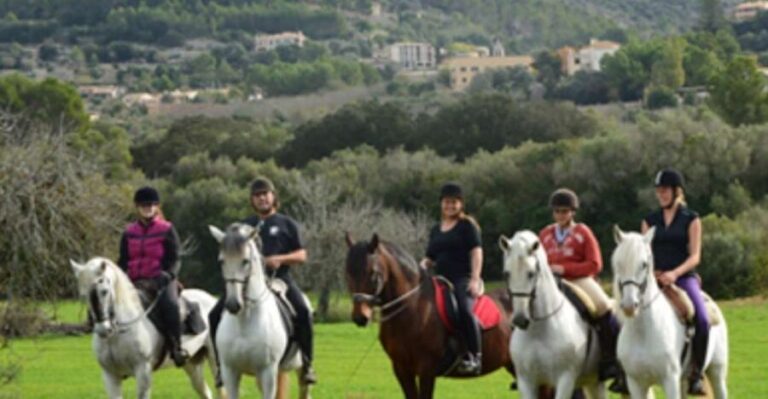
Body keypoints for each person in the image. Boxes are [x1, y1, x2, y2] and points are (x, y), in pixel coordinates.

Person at [209, 177, 316, 386]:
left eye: (265, 194)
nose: (262, 199)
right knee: (214, 315)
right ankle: (222, 367)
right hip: (246, 283)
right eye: (257, 196)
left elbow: (302, 255)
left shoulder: (287, 224)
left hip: (280, 280)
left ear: (273, 196)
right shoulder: (243, 226)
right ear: (252, 200)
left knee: (303, 311)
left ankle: (307, 363)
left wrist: (280, 259)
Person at [539, 188, 626, 393]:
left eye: (565, 211)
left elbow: (595, 264)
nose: (560, 215)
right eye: (557, 211)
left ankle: (611, 361)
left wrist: (565, 269)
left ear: (572, 212)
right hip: (551, 284)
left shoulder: (582, 232)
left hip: (579, 280)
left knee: (604, 307)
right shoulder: (544, 234)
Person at [641, 169, 708, 396]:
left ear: (676, 191)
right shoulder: (649, 220)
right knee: (625, 313)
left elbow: (695, 256)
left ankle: (696, 374)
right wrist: (654, 274)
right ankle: (623, 371)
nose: (661, 195)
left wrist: (674, 274)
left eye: (665, 190)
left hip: (683, 277)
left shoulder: (691, 218)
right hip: (653, 278)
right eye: (659, 191)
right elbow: (645, 253)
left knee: (701, 317)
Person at [117, 186, 187, 367]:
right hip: (134, 282)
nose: (147, 208)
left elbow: (176, 258)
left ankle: (177, 347)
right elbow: (123, 260)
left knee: (170, 305)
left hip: (160, 281)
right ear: (137, 207)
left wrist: (168, 275)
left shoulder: (167, 229)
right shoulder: (129, 232)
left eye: (151, 204)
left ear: (156, 206)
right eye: (143, 205)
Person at [420, 182, 483, 375]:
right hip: (439, 280)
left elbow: (476, 252)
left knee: (464, 310)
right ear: (441, 204)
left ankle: (475, 355)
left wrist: (475, 278)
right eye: (447, 202)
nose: (450, 206)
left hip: (461, 278)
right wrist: (419, 268)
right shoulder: (436, 229)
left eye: (454, 202)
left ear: (461, 204)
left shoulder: (467, 226)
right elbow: (430, 257)